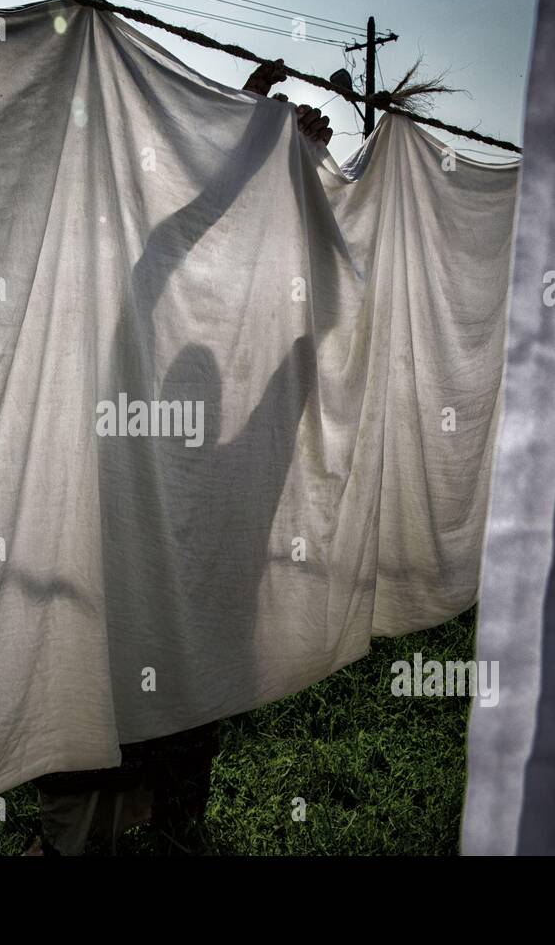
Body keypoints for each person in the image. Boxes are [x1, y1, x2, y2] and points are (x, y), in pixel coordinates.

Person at [24, 61, 332, 857]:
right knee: (161, 833)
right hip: (167, 707)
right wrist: (282, 166)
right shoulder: (222, 464)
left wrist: (258, 144)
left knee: (118, 835)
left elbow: (157, 259)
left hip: (130, 707)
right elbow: (319, 319)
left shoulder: (133, 443)